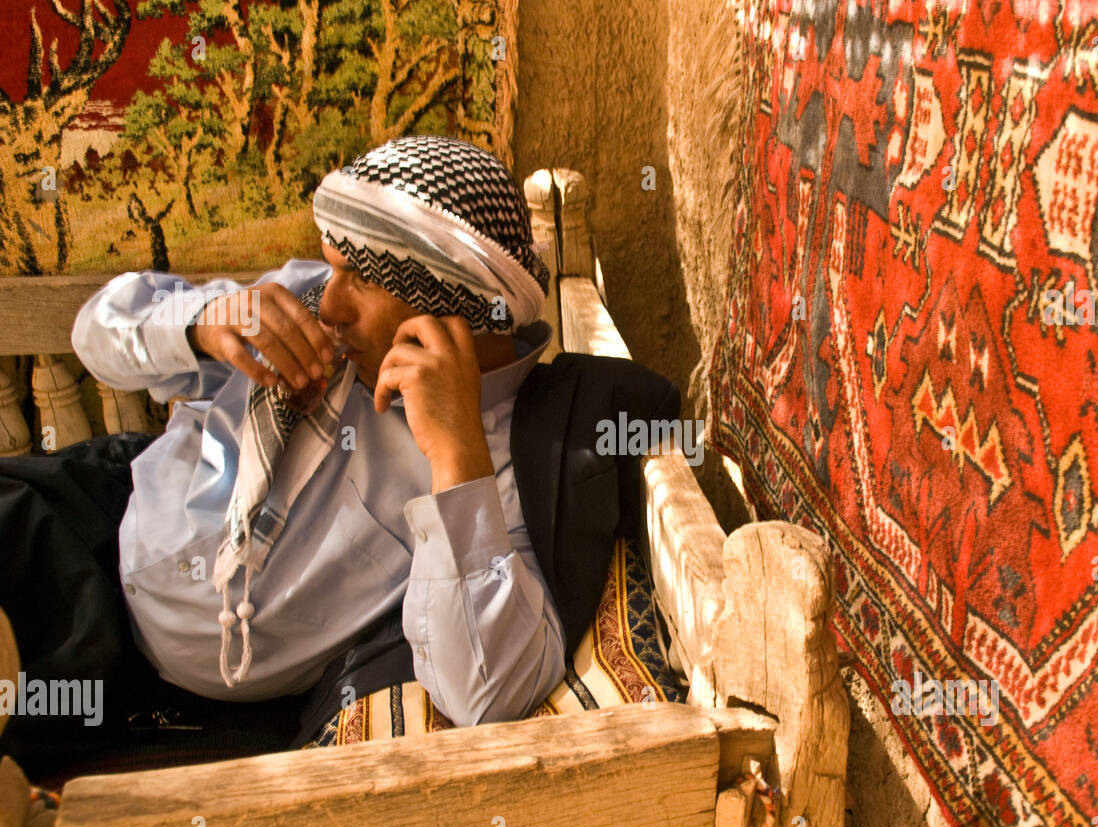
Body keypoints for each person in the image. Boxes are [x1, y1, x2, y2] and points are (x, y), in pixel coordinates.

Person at [0, 135, 679, 781]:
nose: (329, 301)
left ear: (450, 305)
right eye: (332, 266)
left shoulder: (511, 457)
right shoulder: (298, 308)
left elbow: (486, 693)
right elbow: (96, 332)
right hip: (82, 516)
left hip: (138, 685)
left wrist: (455, 458)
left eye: (359, 276)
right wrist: (199, 322)